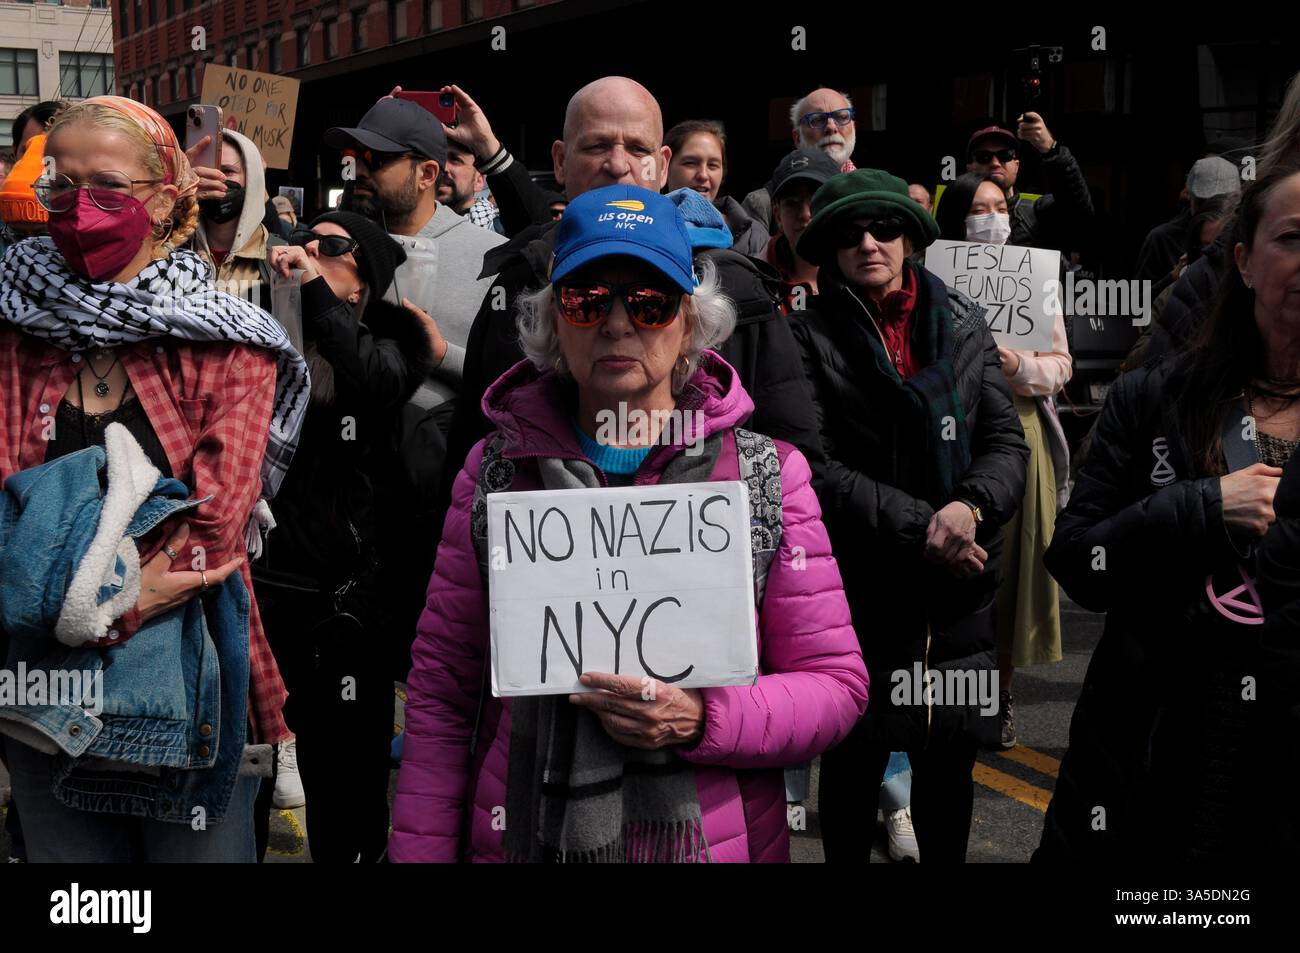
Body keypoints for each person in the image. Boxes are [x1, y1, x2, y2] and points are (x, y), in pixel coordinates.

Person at [389, 184, 869, 863]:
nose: (618, 323)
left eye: (649, 302)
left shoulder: (767, 476)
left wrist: (704, 717)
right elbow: (440, 697)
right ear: (553, 323)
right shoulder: (494, 475)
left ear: (690, 325)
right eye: (587, 300)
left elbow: (836, 687)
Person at [0, 95, 306, 862]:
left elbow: (214, 524)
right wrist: (102, 600)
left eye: (106, 188)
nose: (77, 209)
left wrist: (95, 602)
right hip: (43, 688)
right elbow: (6, 503)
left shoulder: (233, 342)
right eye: (59, 188)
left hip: (187, 673)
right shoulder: (11, 326)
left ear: (167, 198)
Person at [1036, 158, 1300, 861]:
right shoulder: (1155, 398)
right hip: (1149, 762)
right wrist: (1200, 506)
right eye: (1293, 237)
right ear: (1243, 260)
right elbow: (1078, 559)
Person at [791, 169, 1028, 863]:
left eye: (885, 227)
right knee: (852, 771)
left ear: (911, 238)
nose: (869, 241)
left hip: (960, 593)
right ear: (830, 248)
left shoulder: (962, 321)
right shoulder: (805, 336)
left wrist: (971, 506)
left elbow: (1004, 442)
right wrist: (928, 525)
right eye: (850, 232)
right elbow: (814, 466)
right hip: (861, 591)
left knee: (951, 773)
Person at [253, 210, 436, 863]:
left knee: (346, 775)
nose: (306, 251)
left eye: (329, 245)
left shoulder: (393, 338)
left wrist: (315, 295)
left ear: (364, 279)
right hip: (265, 588)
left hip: (345, 604)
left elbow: (372, 383)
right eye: (303, 240)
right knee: (265, 768)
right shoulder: (268, 333)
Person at [936, 171, 1073, 747]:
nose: (992, 216)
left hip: (1022, 432)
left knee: (1015, 574)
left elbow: (1062, 366)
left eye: (1001, 206)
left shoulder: (1037, 282)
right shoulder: (932, 282)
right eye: (979, 207)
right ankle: (948, 697)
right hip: (952, 436)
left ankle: (1002, 695)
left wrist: (1020, 368)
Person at [965, 114, 1093, 253]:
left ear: (1017, 165)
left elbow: (1080, 215)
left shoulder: (1037, 213)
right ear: (970, 168)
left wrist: (1051, 150)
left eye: (1005, 155)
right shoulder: (956, 210)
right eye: (984, 157)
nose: (995, 163)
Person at [187, 129, 284, 312]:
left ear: (251, 179)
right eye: (205, 172)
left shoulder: (277, 260)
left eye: (227, 171)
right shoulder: (169, 251)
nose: (214, 180)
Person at [743, 87, 858, 231]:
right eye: (817, 120)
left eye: (841, 117)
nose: (831, 127)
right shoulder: (761, 204)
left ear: (854, 127)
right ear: (797, 138)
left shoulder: (873, 193)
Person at [663, 119, 769, 256]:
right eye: (690, 163)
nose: (703, 175)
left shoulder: (753, 234)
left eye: (713, 165)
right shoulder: (643, 224)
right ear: (664, 167)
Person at [762, 148, 841, 312]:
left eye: (816, 200)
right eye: (792, 203)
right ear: (778, 216)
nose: (805, 214)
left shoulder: (865, 273)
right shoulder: (756, 282)